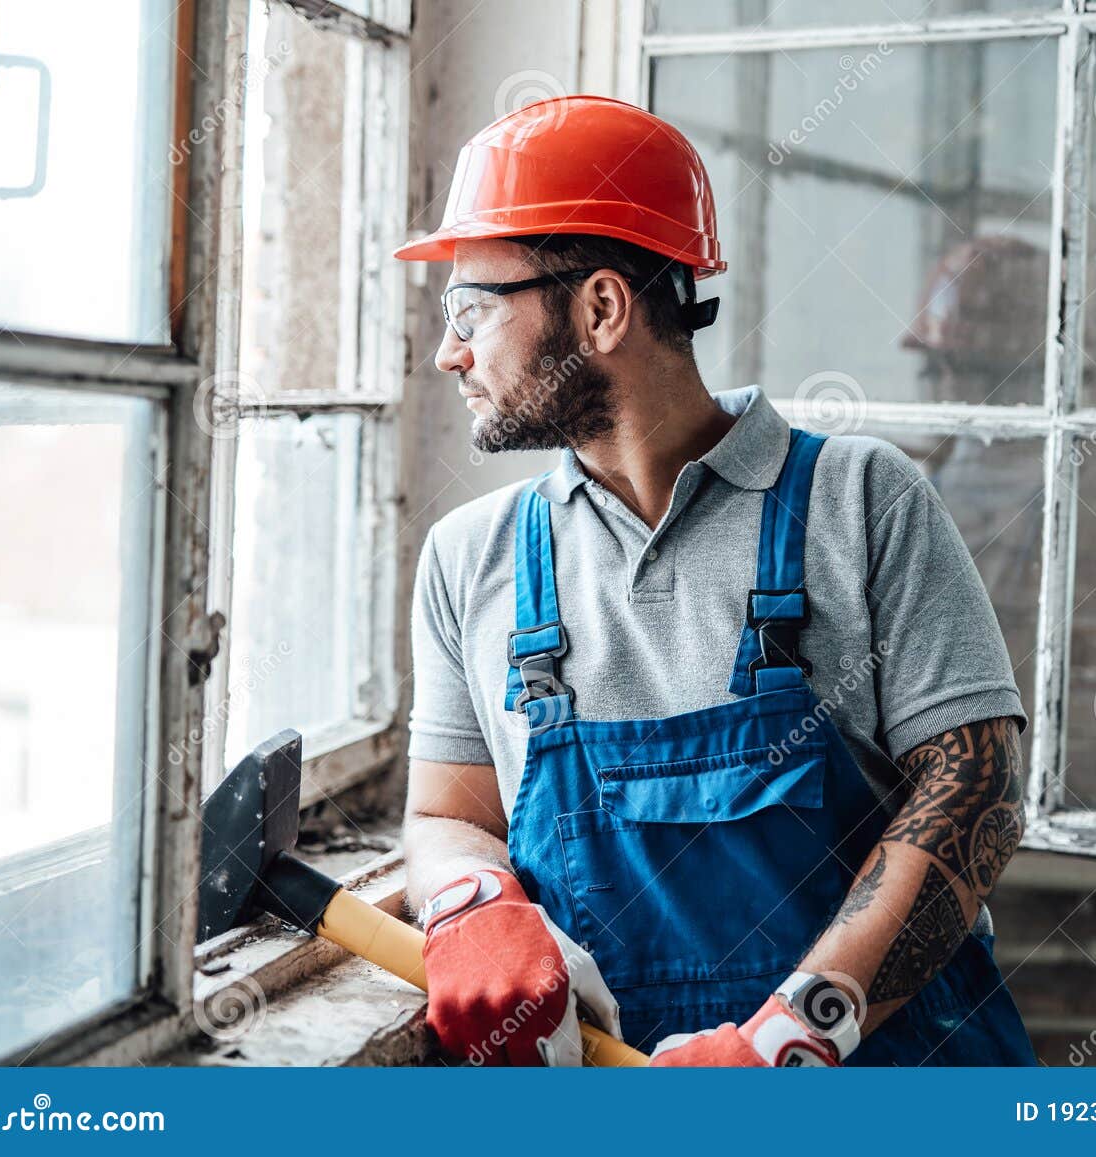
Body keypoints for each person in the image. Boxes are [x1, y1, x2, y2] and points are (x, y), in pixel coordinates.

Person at [395, 94, 1037, 1067]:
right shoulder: (466, 555)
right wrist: (470, 903)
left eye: (471, 310)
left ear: (601, 307)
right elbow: (450, 812)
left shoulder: (861, 501)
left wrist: (793, 1037)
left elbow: (976, 795)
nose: (450, 351)